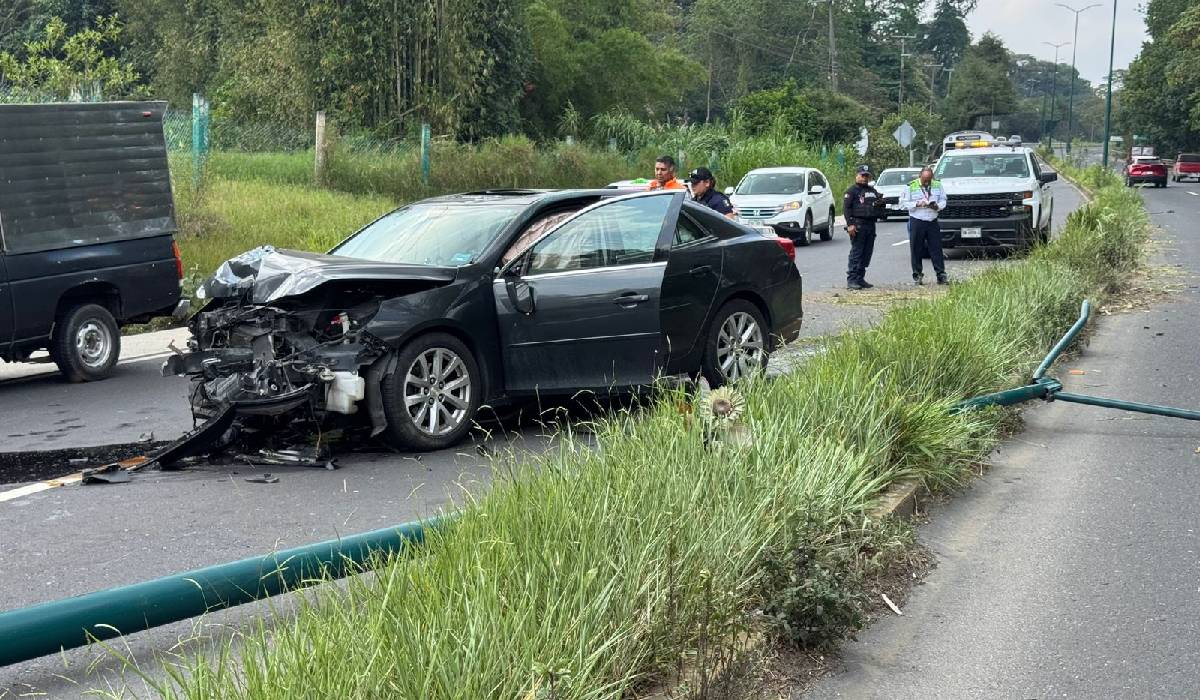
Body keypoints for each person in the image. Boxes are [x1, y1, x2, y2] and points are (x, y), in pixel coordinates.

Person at [901, 166, 948, 285]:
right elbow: (902, 203)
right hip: (917, 220)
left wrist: (938, 206)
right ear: (919, 176)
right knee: (916, 249)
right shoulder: (910, 186)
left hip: (932, 220)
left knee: (936, 249)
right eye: (924, 179)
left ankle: (941, 275)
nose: (927, 182)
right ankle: (917, 275)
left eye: (929, 179)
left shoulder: (937, 185)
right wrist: (917, 204)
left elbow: (943, 200)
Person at [843, 164, 885, 290]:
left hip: (870, 225)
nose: (865, 178)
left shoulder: (872, 191)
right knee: (857, 253)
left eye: (867, 176)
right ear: (857, 175)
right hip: (858, 225)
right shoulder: (851, 191)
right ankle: (852, 280)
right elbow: (846, 209)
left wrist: (880, 204)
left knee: (867, 253)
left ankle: (860, 279)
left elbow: (879, 206)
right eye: (862, 175)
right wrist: (850, 224)